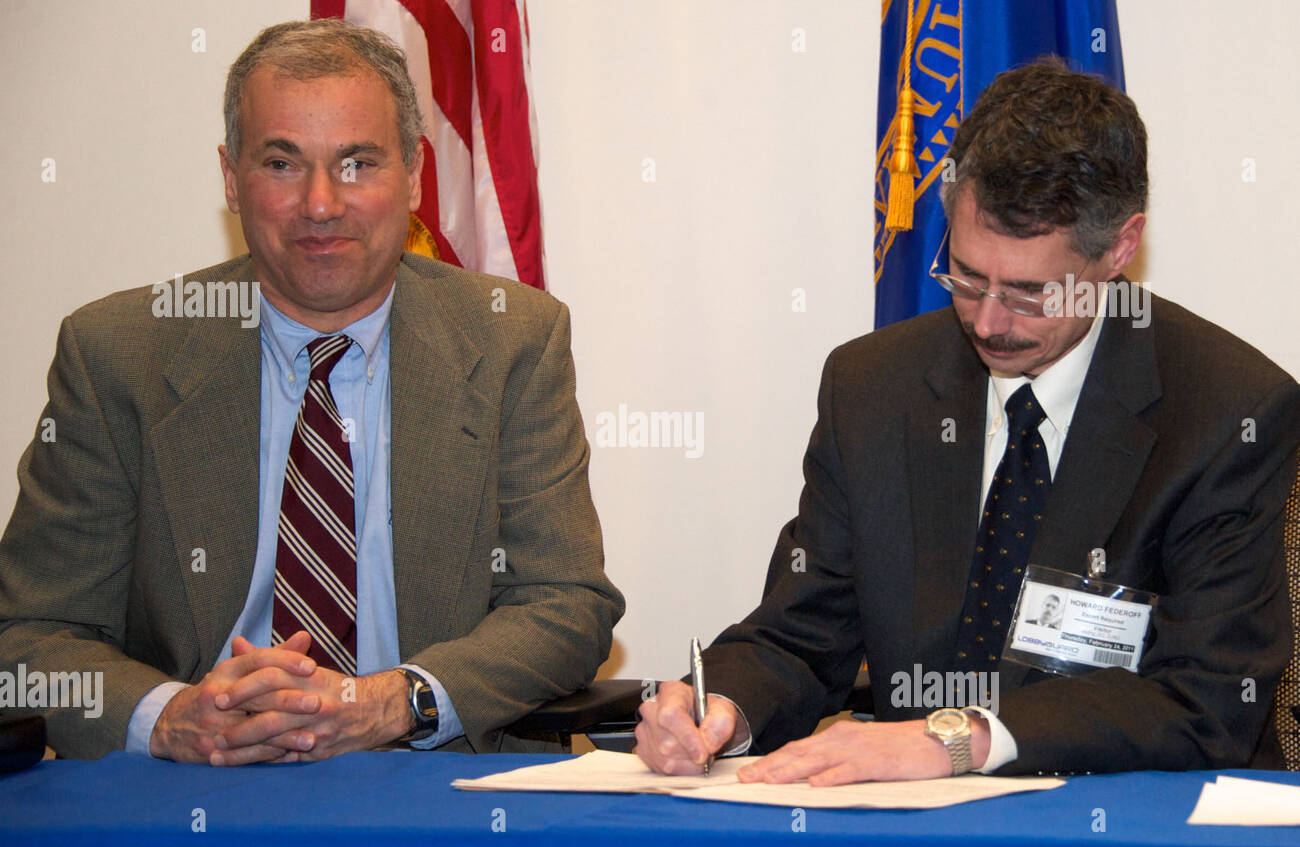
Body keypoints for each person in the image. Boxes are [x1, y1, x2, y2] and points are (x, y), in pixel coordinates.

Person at [637, 58, 1300, 783]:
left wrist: (956, 740)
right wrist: (722, 707)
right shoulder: (872, 389)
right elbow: (802, 632)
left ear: (1119, 248)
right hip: (913, 834)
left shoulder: (1228, 410)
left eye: (1028, 292)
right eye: (966, 276)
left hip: (1124, 825)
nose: (988, 324)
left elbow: (1203, 701)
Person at [0, 19, 623, 763]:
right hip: (189, 794)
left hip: (427, 787)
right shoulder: (118, 354)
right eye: (282, 163)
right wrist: (169, 719)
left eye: (357, 163)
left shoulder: (513, 340)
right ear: (231, 179)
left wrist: (396, 700)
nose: (322, 203)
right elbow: (28, 639)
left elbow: (566, 604)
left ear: (417, 174)